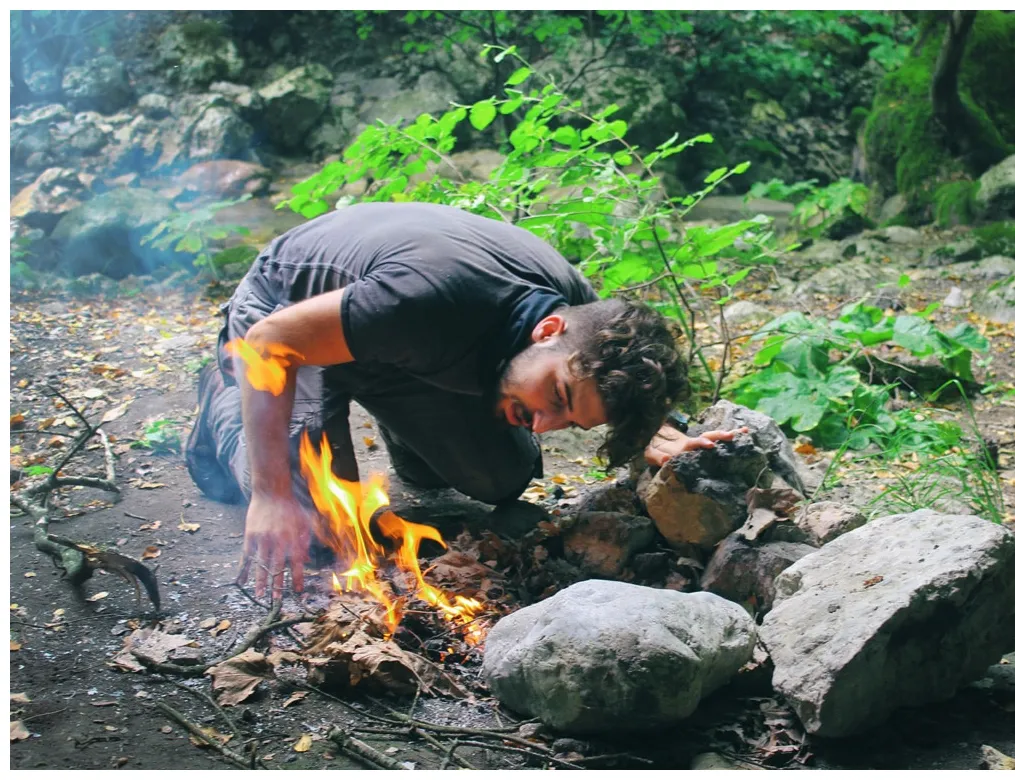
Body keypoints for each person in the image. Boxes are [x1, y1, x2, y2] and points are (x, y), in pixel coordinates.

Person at [185, 202, 738, 597]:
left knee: (499, 477)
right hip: (287, 319)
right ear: (546, 331)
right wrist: (271, 492)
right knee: (314, 527)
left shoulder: (584, 326)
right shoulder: (426, 298)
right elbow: (270, 345)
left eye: (570, 419)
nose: (543, 424)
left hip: (390, 344)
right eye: (557, 396)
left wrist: (652, 430)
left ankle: (401, 416)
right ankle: (223, 404)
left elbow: (614, 372)